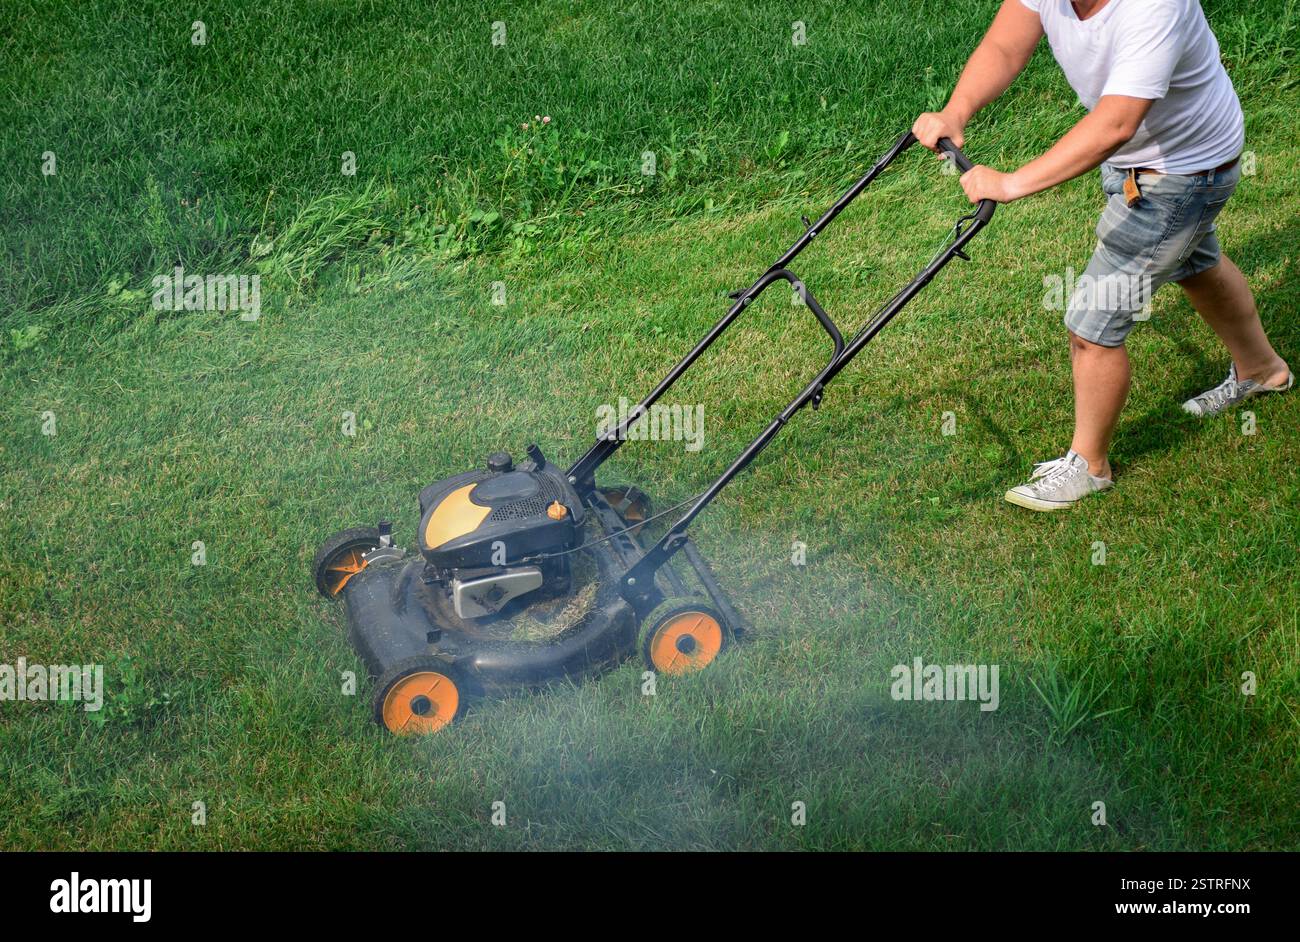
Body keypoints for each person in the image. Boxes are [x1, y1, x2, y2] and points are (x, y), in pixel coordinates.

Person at [913, 0, 1292, 511]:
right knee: (1194, 264)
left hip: (1180, 173)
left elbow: (1114, 123)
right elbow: (1005, 45)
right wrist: (955, 111)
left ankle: (1089, 466)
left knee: (1093, 322)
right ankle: (1263, 370)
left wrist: (1011, 183)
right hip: (1142, 160)